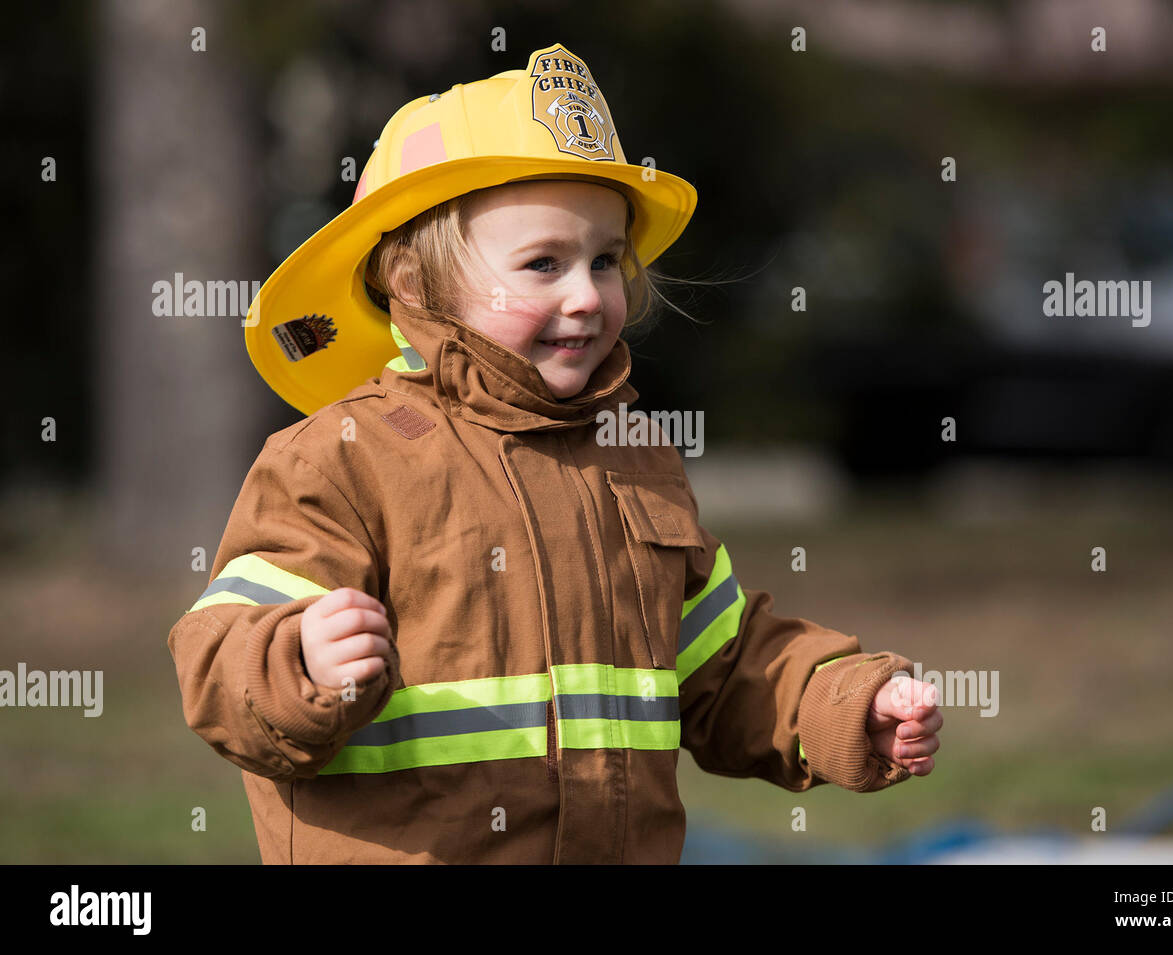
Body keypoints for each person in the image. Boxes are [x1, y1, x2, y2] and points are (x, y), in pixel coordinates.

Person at [167, 42, 941, 864]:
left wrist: (848, 704)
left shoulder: (632, 457)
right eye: (543, 264)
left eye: (604, 260)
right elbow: (216, 657)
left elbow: (725, 663)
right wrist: (299, 659)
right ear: (415, 285)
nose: (587, 296)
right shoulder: (342, 460)